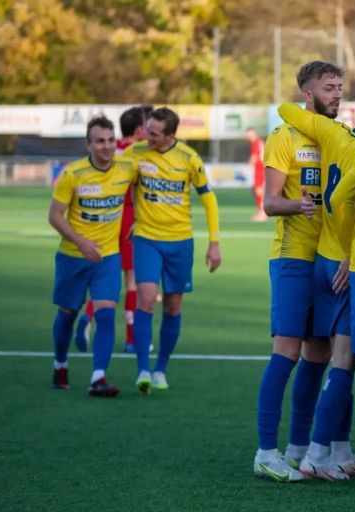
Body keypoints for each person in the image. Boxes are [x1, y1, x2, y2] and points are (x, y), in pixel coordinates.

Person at [276, 82, 355, 482]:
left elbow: (286, 109)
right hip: (348, 267)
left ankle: (336, 449)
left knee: (332, 358)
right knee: (344, 362)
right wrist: (353, 251)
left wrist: (306, 104)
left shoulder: (332, 132)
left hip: (322, 257)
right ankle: (316, 453)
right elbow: (349, 194)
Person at [253, 61, 338, 483]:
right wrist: (298, 205)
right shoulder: (284, 137)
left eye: (340, 86)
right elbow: (270, 202)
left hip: (327, 261)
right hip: (292, 259)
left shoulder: (336, 137)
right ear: (308, 95)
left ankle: (300, 450)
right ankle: (266, 451)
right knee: (285, 353)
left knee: (318, 355)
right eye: (329, 87)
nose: (337, 94)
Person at [124, 107, 222, 394]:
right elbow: (113, 183)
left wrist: (214, 243)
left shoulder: (189, 159)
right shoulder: (135, 153)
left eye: (154, 133)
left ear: (170, 135)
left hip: (180, 242)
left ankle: (160, 369)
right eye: (147, 129)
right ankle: (142, 368)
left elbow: (209, 200)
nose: (147, 136)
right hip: (146, 238)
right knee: (145, 299)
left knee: (173, 306)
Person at [48, 115, 137, 397]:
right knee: (67, 315)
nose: (107, 146)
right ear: (88, 144)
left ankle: (98, 377)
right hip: (73, 256)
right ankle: (60, 363)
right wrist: (80, 240)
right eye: (100, 141)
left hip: (107, 257)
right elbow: (54, 215)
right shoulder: (73, 174)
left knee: (106, 314)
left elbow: (148, 181)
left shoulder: (126, 168)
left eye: (111, 140)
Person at [74, 106, 153, 354]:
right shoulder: (138, 154)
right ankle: (131, 339)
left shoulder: (111, 147)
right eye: (148, 124)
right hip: (129, 214)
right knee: (131, 279)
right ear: (140, 129)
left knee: (104, 273)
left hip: (106, 216)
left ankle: (88, 315)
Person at [247, 127, 268, 221]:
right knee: (258, 190)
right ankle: (260, 211)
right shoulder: (258, 142)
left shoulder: (256, 142)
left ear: (254, 133)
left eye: (249, 134)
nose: (248, 136)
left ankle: (263, 212)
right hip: (259, 168)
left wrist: (247, 166)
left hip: (260, 169)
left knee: (259, 190)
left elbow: (254, 157)